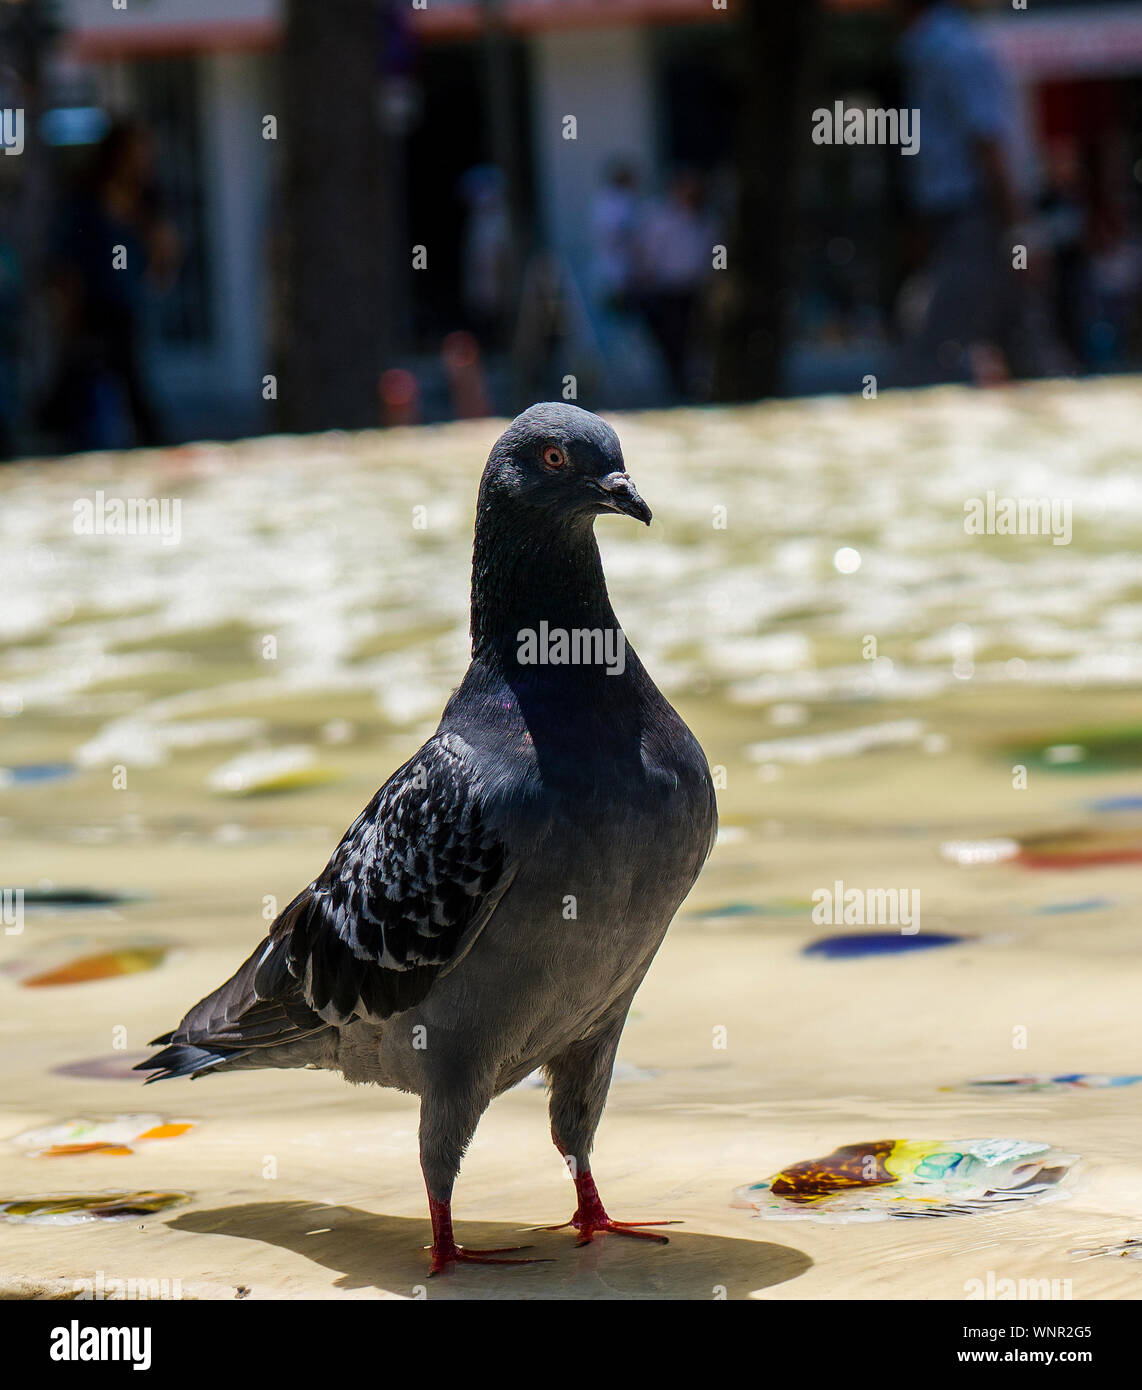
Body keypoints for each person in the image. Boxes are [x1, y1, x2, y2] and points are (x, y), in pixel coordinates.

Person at [894, 0, 1043, 385]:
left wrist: (1018, 232)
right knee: (1019, 342)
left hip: (976, 219)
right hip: (966, 219)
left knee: (935, 355)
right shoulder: (930, 52)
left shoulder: (956, 51)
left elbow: (988, 143)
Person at [42, 120, 180, 451]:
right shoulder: (85, 204)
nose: (143, 161)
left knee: (129, 385)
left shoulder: (147, 205)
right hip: (93, 312)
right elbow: (65, 265)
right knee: (94, 389)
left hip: (131, 311)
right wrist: (68, 313)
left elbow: (165, 258)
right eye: (136, 152)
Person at [633, 168, 715, 398]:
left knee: (695, 339)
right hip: (668, 289)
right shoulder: (662, 219)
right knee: (673, 338)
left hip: (695, 288)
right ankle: (677, 384)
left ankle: (696, 381)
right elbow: (649, 252)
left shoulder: (704, 219)